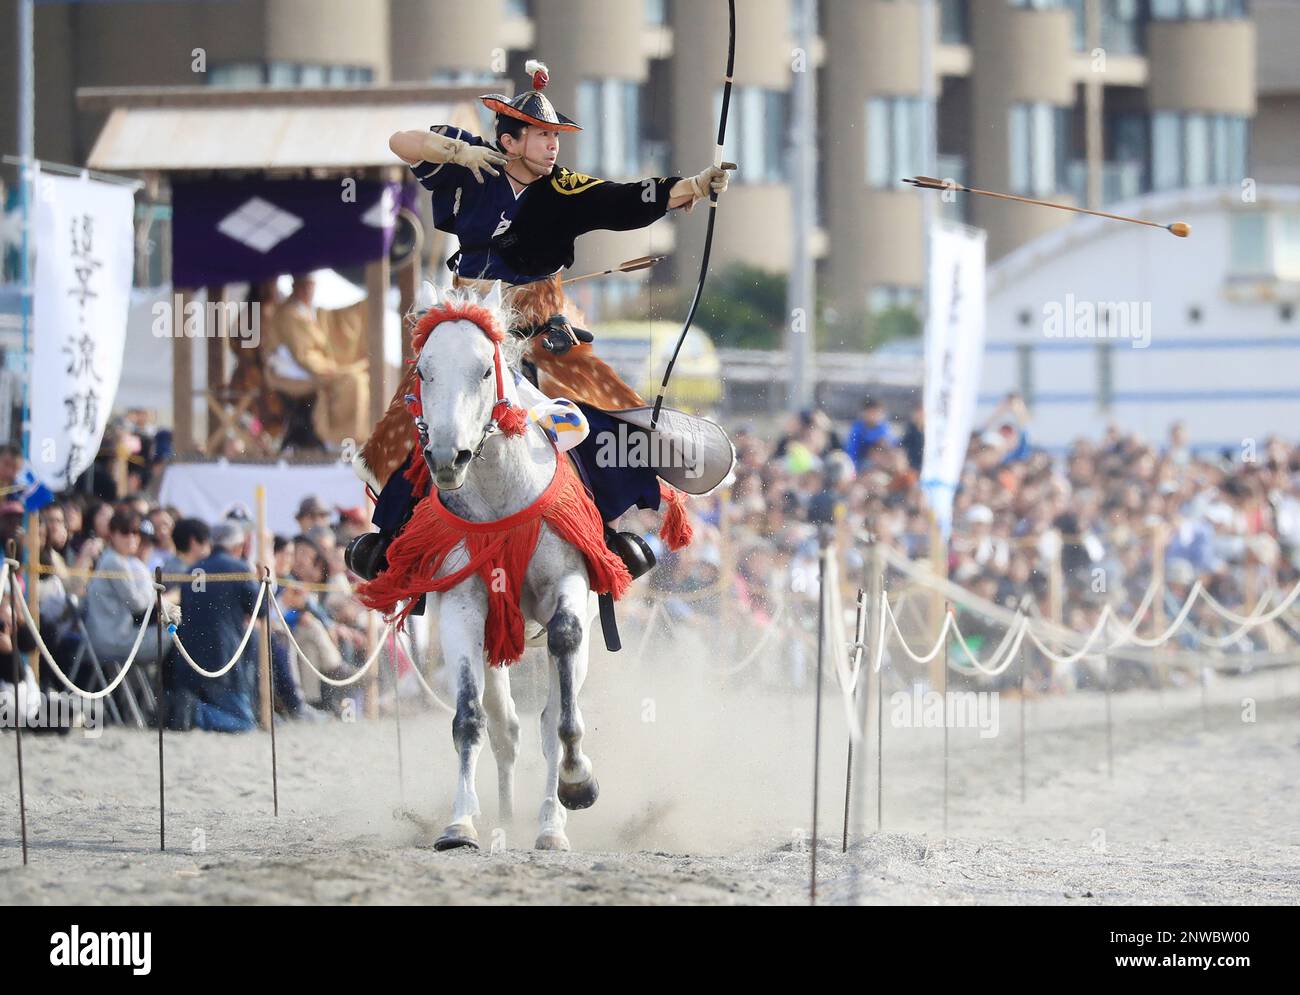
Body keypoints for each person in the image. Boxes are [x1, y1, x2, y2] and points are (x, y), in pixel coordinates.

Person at [348, 58, 729, 585]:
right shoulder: (468, 166)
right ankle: (392, 537)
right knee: (419, 415)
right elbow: (401, 141)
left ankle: (605, 528)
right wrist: (461, 151)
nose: (553, 146)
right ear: (509, 141)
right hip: (470, 319)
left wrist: (692, 185)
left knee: (600, 412)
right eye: (542, 136)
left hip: (539, 324)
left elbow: (625, 199)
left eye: (556, 137)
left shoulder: (565, 189)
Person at [170, 520, 264, 732]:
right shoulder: (239, 569)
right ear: (238, 547)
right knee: (245, 723)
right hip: (224, 661)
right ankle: (196, 713)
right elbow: (262, 609)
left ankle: (194, 709)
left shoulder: (193, 569)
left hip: (188, 660)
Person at [84, 510, 171, 667]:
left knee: (171, 629)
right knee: (173, 633)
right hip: (112, 640)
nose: (131, 538)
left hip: (112, 636)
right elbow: (137, 603)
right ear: (112, 534)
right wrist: (156, 593)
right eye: (125, 532)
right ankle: (175, 689)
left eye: (136, 533)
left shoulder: (119, 560)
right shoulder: (114, 561)